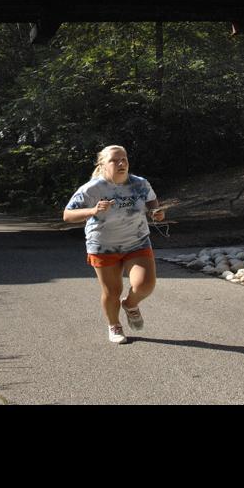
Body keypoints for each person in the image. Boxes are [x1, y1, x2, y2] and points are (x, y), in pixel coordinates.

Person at [62, 145, 165, 345]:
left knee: (145, 285)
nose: (121, 163)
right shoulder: (92, 189)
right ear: (102, 165)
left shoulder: (140, 184)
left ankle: (130, 304)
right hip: (103, 245)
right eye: (114, 160)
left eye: (124, 159)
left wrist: (156, 212)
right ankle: (114, 325)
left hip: (137, 241)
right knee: (112, 291)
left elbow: (152, 201)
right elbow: (67, 215)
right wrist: (92, 211)